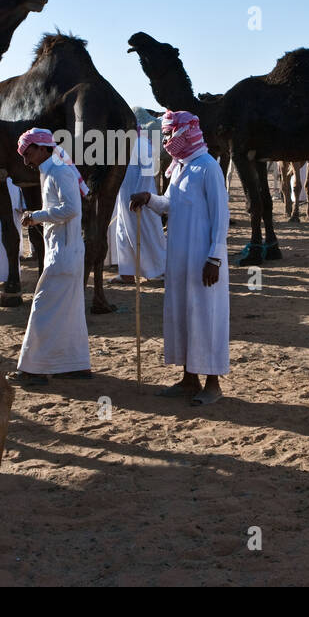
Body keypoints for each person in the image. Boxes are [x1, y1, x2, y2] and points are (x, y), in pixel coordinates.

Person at [130, 110, 229, 407]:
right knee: (182, 316)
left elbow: (221, 217)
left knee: (205, 317)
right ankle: (189, 379)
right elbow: (172, 205)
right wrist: (150, 200)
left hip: (203, 260)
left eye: (169, 133)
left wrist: (215, 258)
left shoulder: (208, 167)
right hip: (178, 257)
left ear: (185, 132)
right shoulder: (181, 167)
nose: (165, 140)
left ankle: (213, 384)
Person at [9, 128, 92, 386]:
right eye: (23, 155)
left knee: (42, 307)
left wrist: (37, 216)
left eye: (29, 152)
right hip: (62, 249)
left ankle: (33, 369)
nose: (26, 160)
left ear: (43, 147)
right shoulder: (51, 169)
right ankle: (75, 364)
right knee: (70, 310)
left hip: (64, 252)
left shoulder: (59, 170)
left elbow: (71, 208)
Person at [108, 119, 166, 283]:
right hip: (125, 196)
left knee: (147, 232)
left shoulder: (141, 144)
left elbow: (148, 174)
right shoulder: (125, 145)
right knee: (123, 234)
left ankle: (158, 271)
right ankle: (126, 273)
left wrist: (141, 197)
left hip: (140, 198)